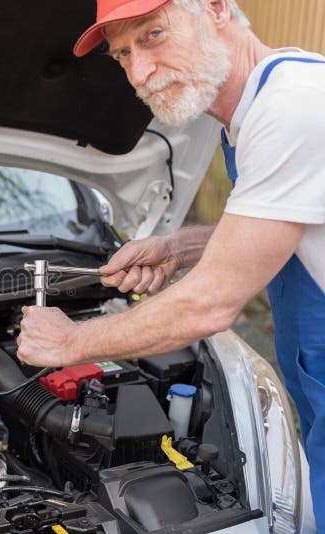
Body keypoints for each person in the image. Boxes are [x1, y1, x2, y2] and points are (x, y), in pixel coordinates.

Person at [16, 0, 325, 528]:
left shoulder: (292, 107)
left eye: (153, 34)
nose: (138, 72)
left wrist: (70, 344)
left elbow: (209, 305)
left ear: (217, 8)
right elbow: (289, 221)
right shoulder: (260, 103)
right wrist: (177, 247)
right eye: (122, 56)